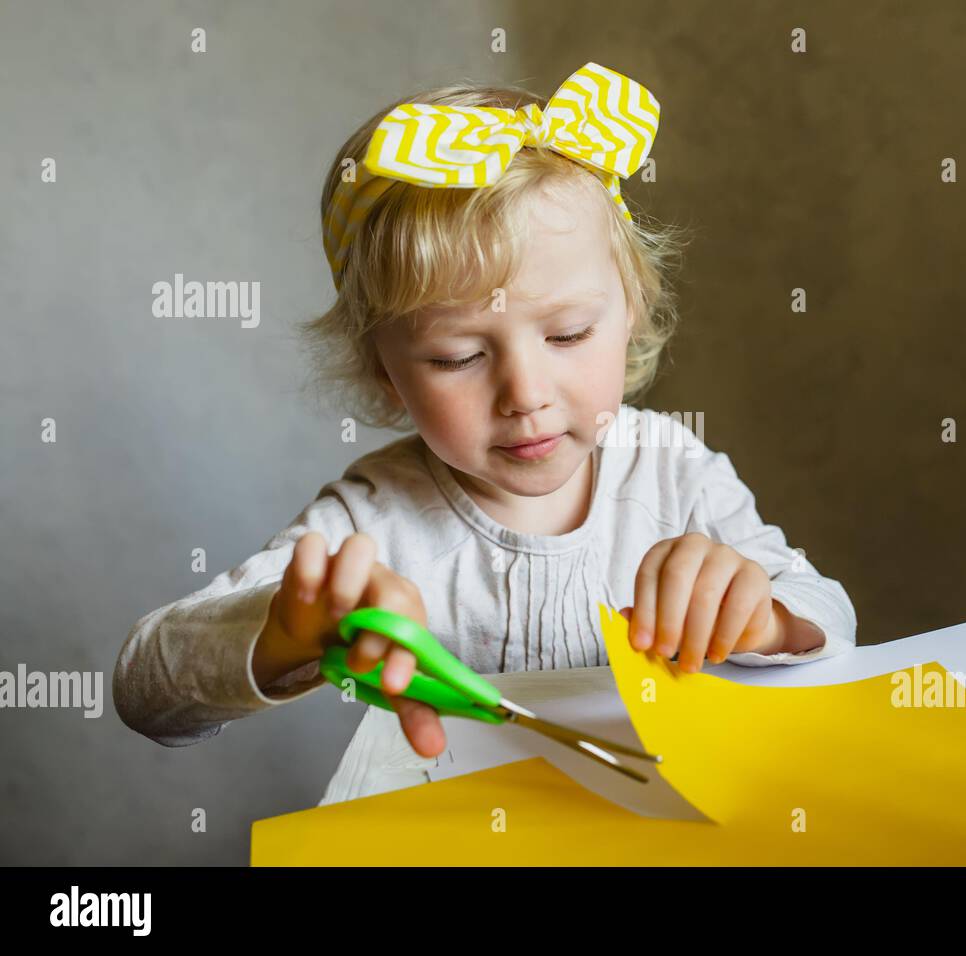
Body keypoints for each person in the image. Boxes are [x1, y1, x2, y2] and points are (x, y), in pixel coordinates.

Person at [112, 63, 857, 804]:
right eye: (458, 356)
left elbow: (833, 618)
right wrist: (284, 633)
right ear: (385, 371)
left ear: (629, 310)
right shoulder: (372, 521)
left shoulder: (675, 471)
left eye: (567, 334)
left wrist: (770, 620)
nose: (525, 395)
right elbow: (145, 688)